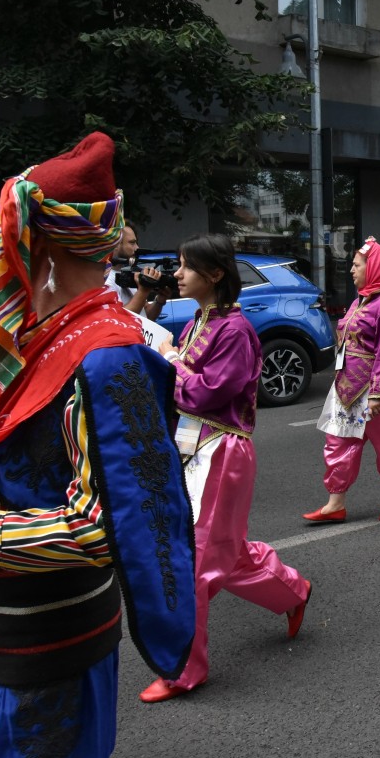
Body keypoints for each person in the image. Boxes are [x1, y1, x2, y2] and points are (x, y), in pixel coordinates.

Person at [0, 133, 196, 758]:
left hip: (42, 659)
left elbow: (102, 530)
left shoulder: (109, 360)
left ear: (36, 246)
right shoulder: (19, 344)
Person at [141, 234, 311, 702]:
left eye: (185, 266)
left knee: (193, 562)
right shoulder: (201, 320)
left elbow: (205, 393)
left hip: (221, 450)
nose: (177, 274)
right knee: (225, 554)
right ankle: (293, 590)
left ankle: (182, 671)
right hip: (196, 447)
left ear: (214, 275)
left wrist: (170, 363)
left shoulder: (235, 331)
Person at [304, 237, 380, 523]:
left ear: (374, 267)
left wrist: (379, 393)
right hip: (347, 388)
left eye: (357, 265)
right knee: (338, 442)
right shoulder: (359, 301)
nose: (351, 270)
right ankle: (335, 503)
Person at [107, 223, 169, 319]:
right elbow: (119, 320)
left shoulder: (129, 272)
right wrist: (143, 291)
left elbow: (146, 315)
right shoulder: (106, 280)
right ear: (116, 245)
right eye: (132, 243)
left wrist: (160, 300)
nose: (137, 248)